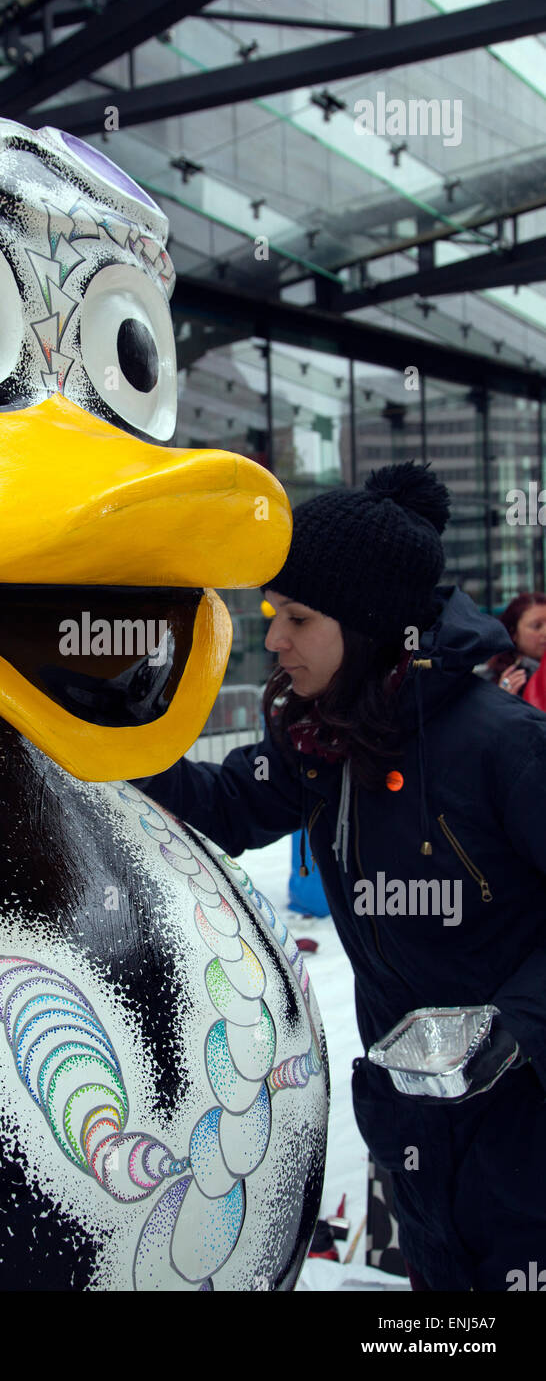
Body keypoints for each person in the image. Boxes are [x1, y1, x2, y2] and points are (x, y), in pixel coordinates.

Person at [131, 461, 546, 1293]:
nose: (275, 640)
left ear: (366, 625)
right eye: (274, 615)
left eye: (298, 617)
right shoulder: (327, 740)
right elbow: (234, 801)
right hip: (412, 1119)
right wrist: (119, 743)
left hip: (525, 1120)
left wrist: (512, 1028)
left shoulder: (502, 744)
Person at [484, 591, 546, 696]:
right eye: (536, 626)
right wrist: (502, 701)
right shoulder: (491, 680)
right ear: (513, 633)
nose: (545, 632)